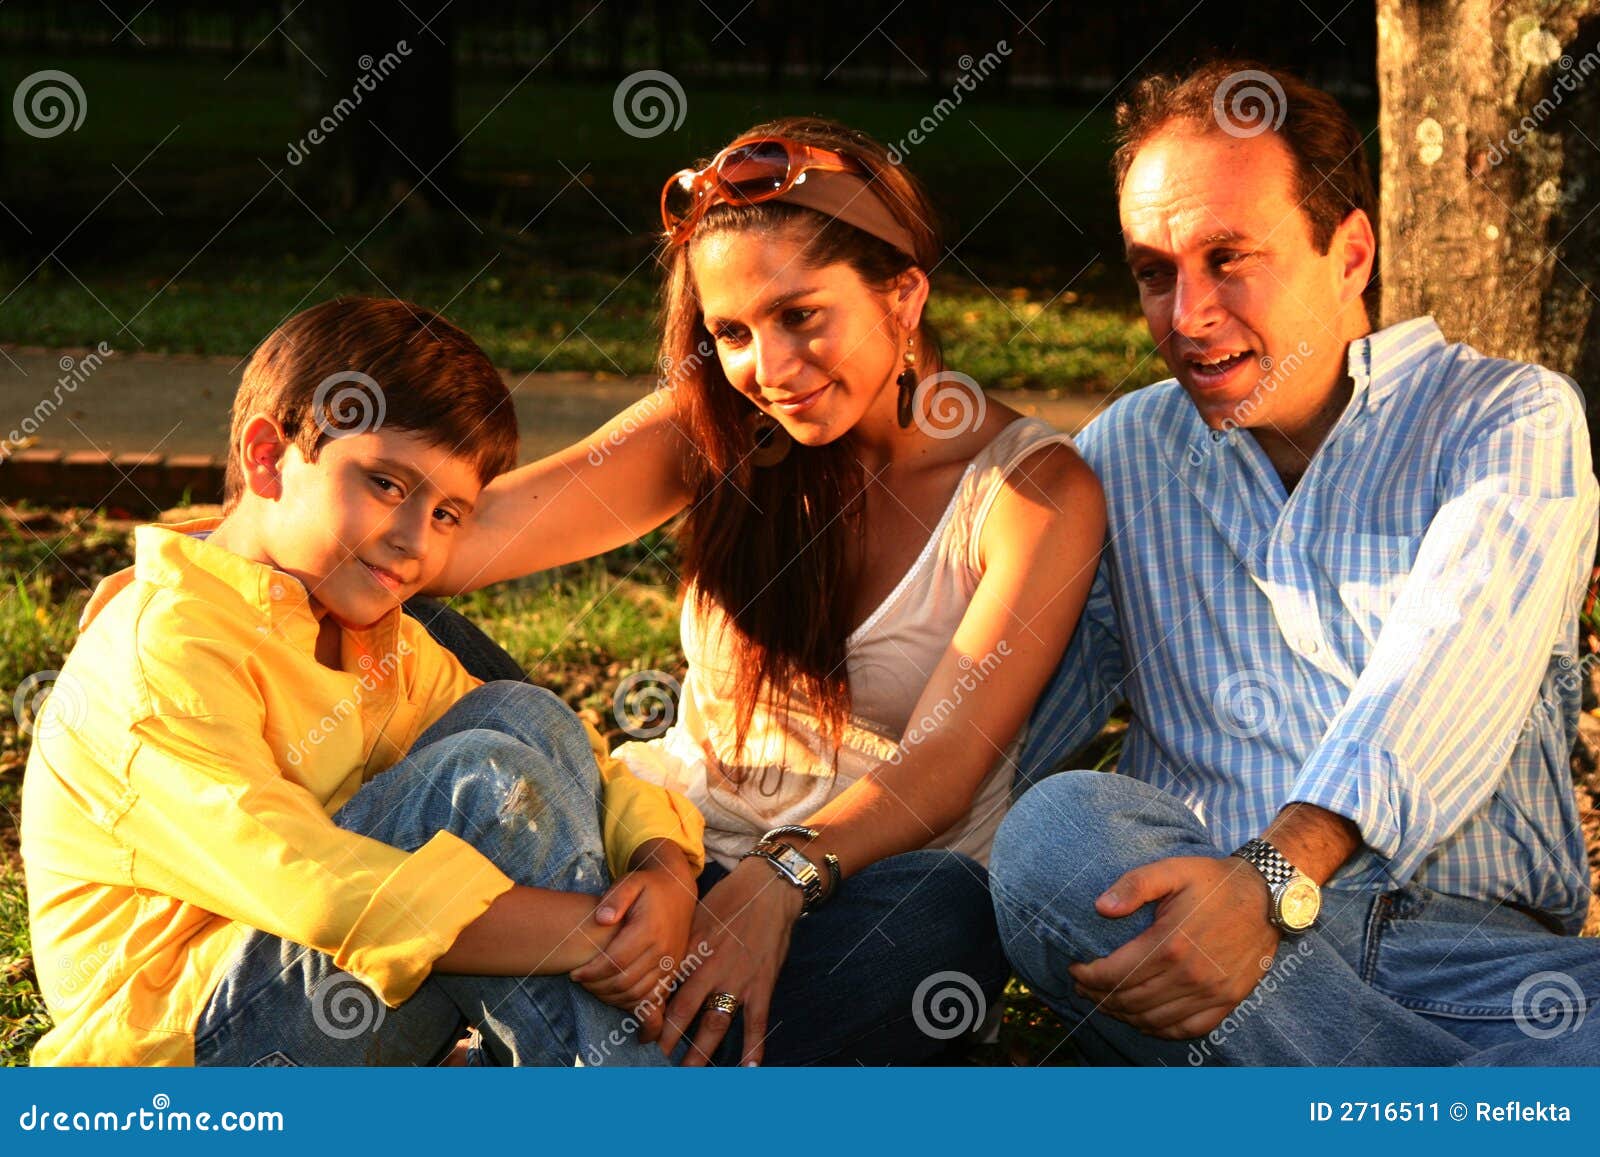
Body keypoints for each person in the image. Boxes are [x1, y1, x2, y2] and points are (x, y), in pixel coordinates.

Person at [429, 117, 1106, 1065]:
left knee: (938, 929)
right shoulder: (712, 422)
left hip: (855, 888)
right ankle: (633, 1050)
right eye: (732, 332)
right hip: (658, 847)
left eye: (801, 316)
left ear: (903, 294)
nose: (768, 370)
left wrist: (780, 876)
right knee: (405, 601)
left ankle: (567, 1034)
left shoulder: (1032, 493)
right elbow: (461, 538)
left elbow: (947, 764)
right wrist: (211, 551)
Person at [995, 60, 1600, 1065]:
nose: (1185, 315)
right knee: (1055, 837)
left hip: (1475, 972)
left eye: (1229, 258)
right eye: (1154, 271)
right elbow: (1003, 733)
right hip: (1191, 950)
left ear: (1350, 250)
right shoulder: (1122, 453)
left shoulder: (1507, 417)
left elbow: (1449, 663)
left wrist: (1273, 875)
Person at [20, 297, 707, 1067]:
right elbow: (318, 887)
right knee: (480, 787)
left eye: (450, 513)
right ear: (264, 456)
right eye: (386, 484)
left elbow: (592, 763)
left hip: (327, 1005)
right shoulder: (162, 651)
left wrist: (663, 870)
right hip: (184, 1062)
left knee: (523, 716)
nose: (415, 540)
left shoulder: (370, 638)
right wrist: (603, 934)